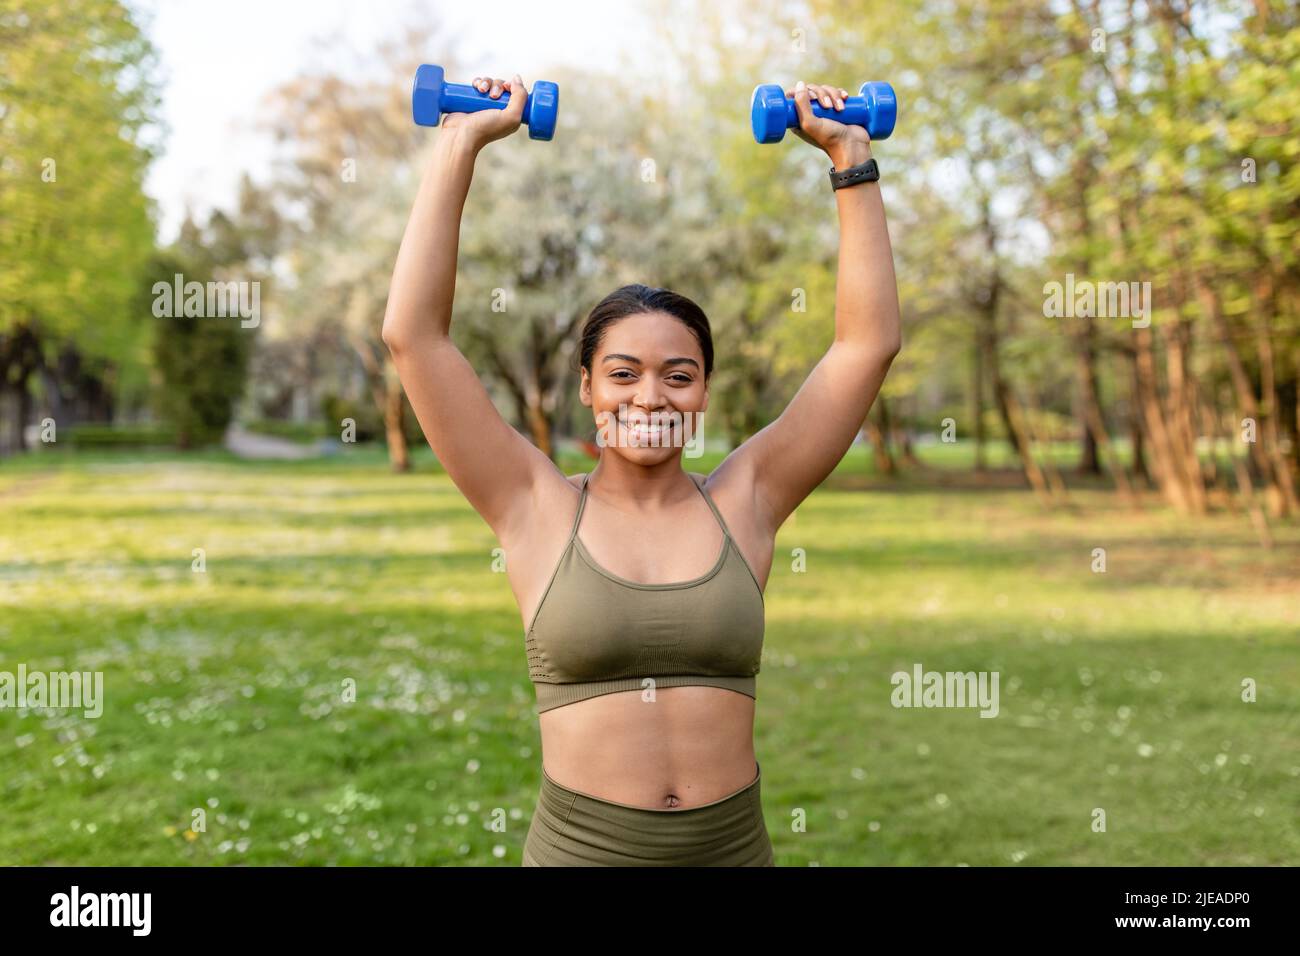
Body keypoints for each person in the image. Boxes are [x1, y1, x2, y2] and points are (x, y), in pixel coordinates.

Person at [382, 73, 901, 865]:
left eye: (678, 375)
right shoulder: (533, 505)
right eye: (622, 373)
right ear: (586, 388)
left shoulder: (749, 499)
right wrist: (459, 143)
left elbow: (866, 346)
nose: (650, 395)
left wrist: (851, 160)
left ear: (703, 392)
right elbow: (414, 336)